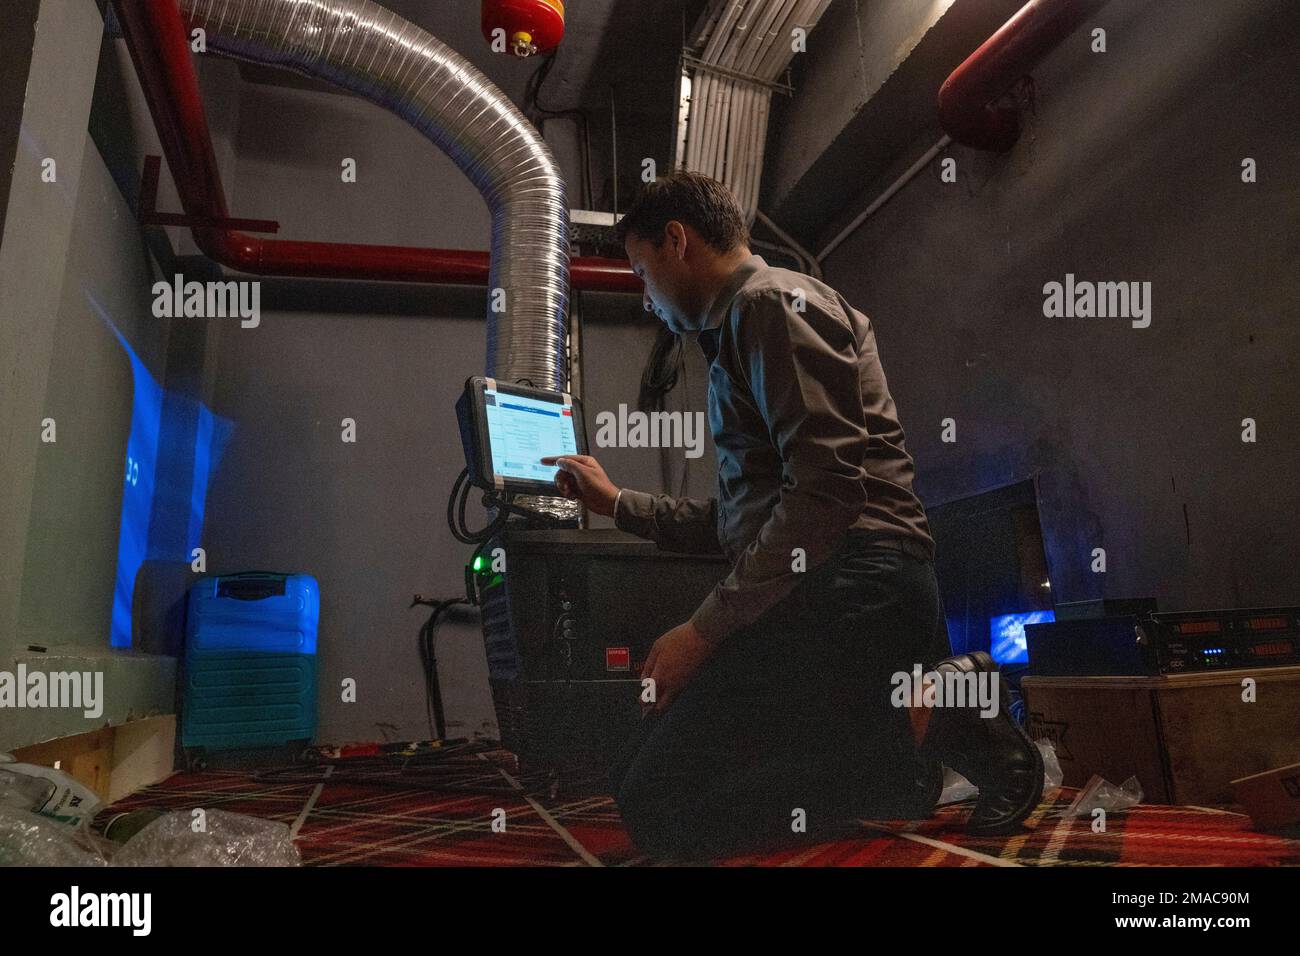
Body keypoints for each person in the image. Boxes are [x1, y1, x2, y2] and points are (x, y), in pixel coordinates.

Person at [540, 171, 1042, 859]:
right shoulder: (740, 329)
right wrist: (617, 503)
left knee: (664, 801)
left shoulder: (772, 303)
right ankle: (895, 748)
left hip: (859, 580)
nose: (644, 293)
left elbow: (828, 493)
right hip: (824, 581)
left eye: (640, 269)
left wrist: (702, 632)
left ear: (677, 241)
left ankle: (930, 724)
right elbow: (746, 522)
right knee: (639, 782)